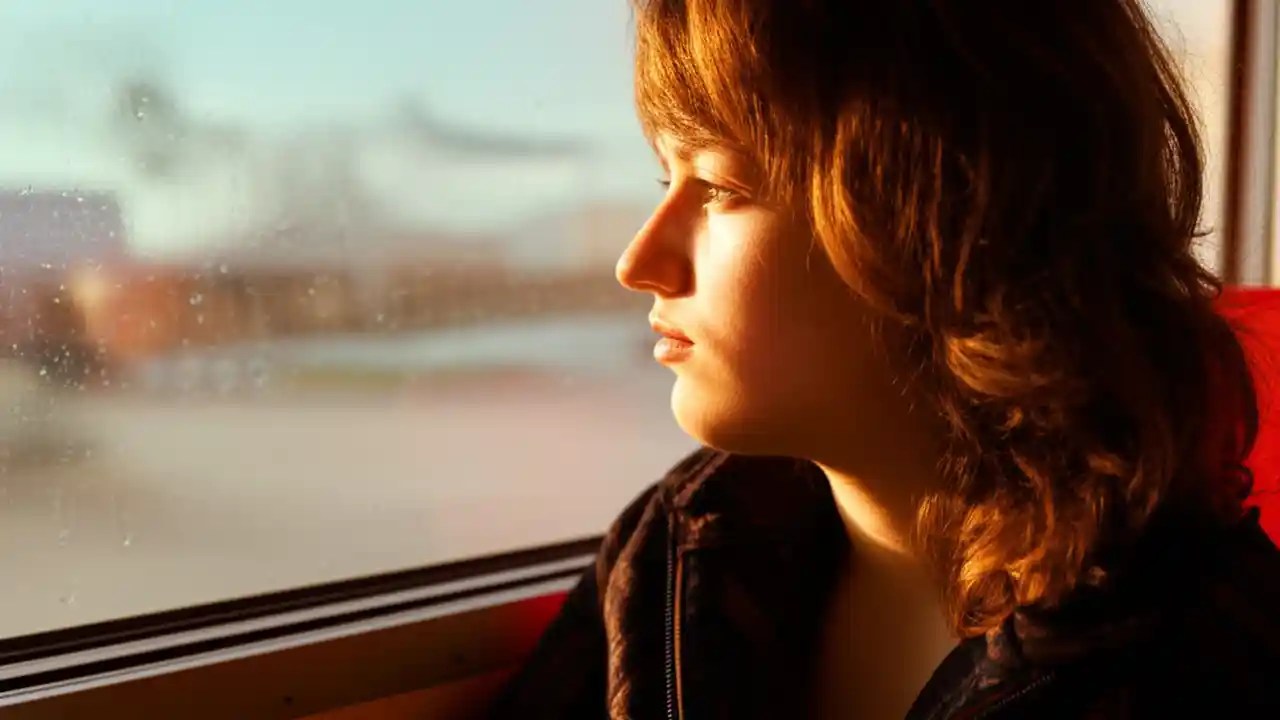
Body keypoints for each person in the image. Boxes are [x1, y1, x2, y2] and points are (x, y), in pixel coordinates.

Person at [490, 0, 1280, 717]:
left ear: (948, 214)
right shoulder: (677, 550)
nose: (639, 261)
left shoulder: (1206, 658)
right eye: (667, 177)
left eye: (721, 187)